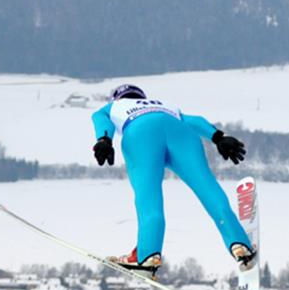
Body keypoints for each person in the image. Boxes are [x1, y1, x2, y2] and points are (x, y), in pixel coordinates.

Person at [91, 84, 254, 277]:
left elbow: (100, 117)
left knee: (148, 197)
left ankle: (148, 254)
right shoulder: (164, 105)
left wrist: (104, 140)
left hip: (141, 133)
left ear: (117, 98)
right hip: (181, 133)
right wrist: (219, 137)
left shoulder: (115, 106)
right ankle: (239, 244)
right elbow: (194, 120)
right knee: (207, 187)